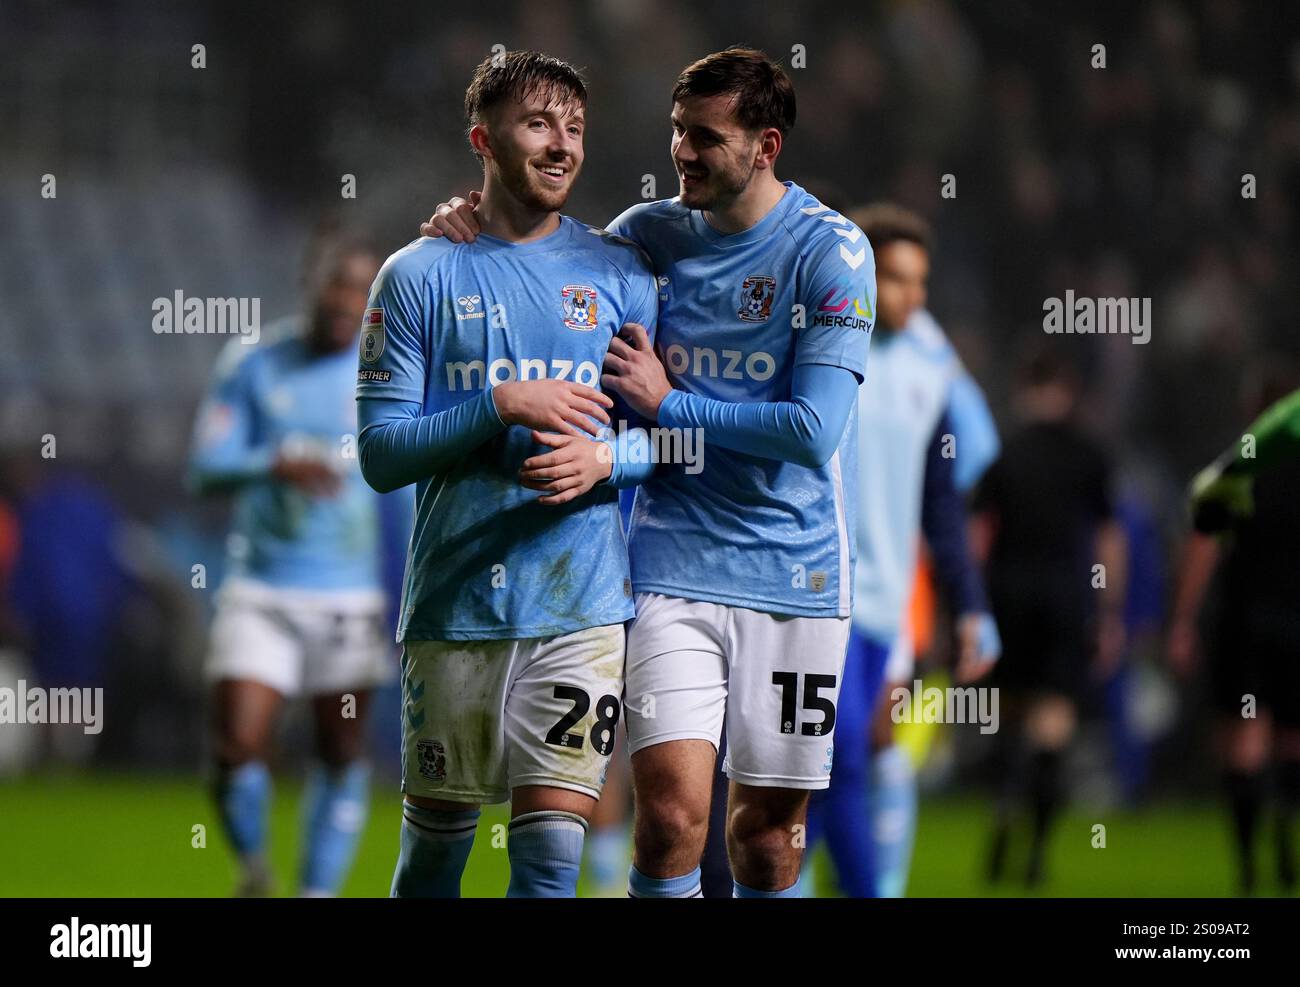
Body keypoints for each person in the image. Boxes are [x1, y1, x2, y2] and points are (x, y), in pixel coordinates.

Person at [423, 47, 876, 897]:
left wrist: (673, 405)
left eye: (705, 138)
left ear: (765, 146)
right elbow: (544, 251)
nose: (683, 154)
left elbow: (814, 432)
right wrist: (470, 218)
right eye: (678, 132)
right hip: (672, 563)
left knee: (770, 838)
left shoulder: (833, 254)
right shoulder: (646, 237)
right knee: (668, 820)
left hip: (796, 573)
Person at [357, 50, 658, 898]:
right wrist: (498, 405)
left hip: (580, 605)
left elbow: (665, 443)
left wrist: (609, 456)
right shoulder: (415, 275)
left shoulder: (621, 274)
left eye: (575, 128)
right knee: (433, 863)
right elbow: (381, 456)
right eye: (539, 124)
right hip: (455, 607)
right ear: (483, 140)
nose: (562, 145)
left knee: (550, 861)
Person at [800, 203, 999, 898]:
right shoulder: (815, 343)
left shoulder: (930, 367)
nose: (909, 295)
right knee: (836, 759)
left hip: (887, 606)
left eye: (919, 281)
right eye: (892, 277)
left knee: (846, 761)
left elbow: (943, 500)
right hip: (808, 591)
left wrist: (971, 603)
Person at [189, 230, 392, 897]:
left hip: (346, 597)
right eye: (336, 282)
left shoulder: (386, 368)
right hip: (261, 589)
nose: (346, 299)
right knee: (235, 747)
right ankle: (252, 867)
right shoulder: (253, 361)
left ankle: (315, 893)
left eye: (361, 288)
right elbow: (205, 469)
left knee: (338, 752)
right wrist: (272, 462)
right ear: (310, 283)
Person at [970, 348, 1126, 887]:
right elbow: (1109, 539)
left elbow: (979, 537)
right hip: (1066, 600)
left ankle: (1004, 813)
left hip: (1008, 597)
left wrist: (969, 609)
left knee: (1010, 721)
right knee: (1052, 723)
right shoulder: (1090, 455)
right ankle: (1036, 847)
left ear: (1025, 387)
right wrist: (1109, 613)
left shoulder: (1004, 454)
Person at [1169, 376, 1300, 893]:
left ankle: (1248, 863)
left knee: (1243, 742)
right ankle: (1287, 835)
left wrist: (1182, 621)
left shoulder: (1241, 466)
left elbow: (1202, 543)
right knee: (1293, 739)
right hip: (1298, 624)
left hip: (1245, 622)